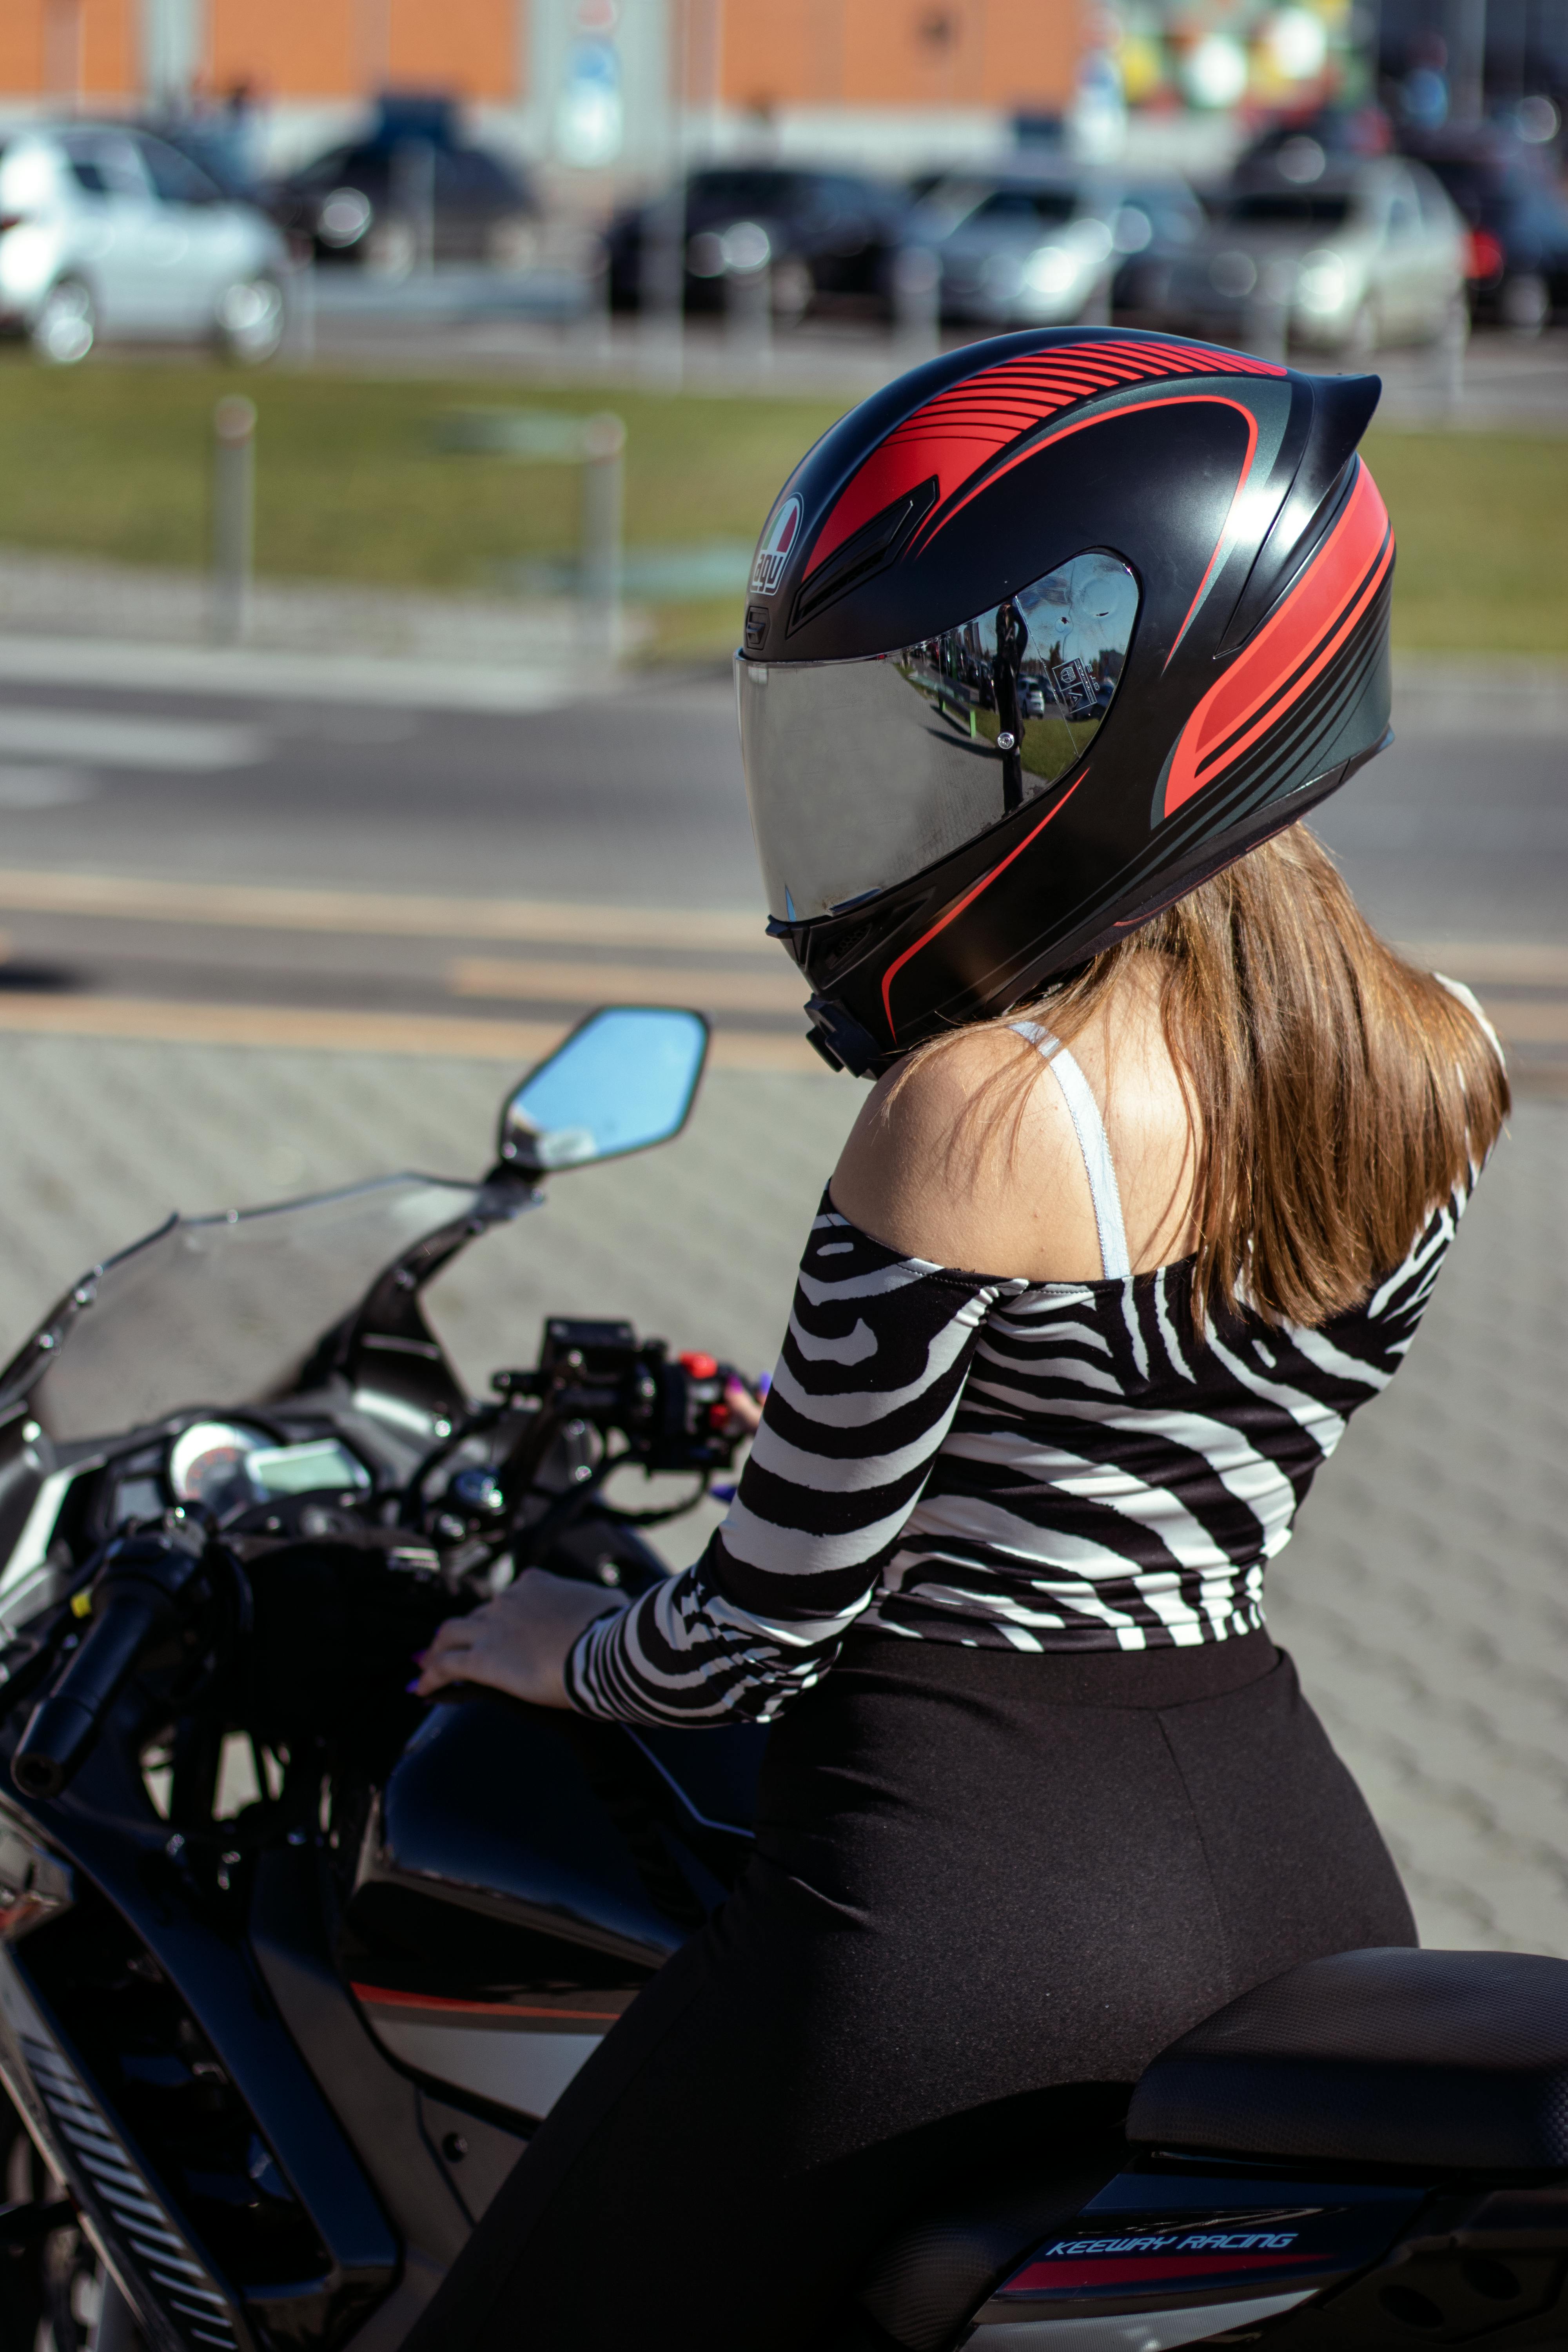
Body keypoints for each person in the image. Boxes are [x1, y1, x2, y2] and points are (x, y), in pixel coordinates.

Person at [404, 329, 1508, 2351]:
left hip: (959, 1912)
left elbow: (760, 1633)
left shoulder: (988, 1104)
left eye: (968, 729)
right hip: (1291, 1858)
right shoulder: (1437, 1060)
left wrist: (548, 1641)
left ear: (1148, 710)